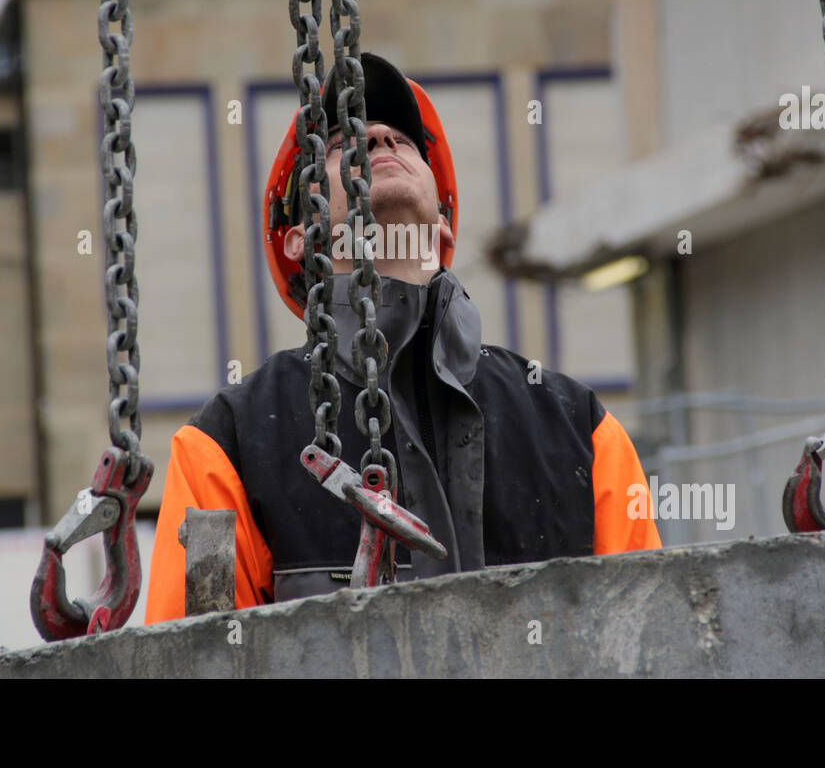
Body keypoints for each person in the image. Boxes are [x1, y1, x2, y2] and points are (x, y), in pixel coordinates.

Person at [145, 52, 660, 622]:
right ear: (299, 239)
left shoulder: (581, 432)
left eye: (402, 141)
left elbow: (646, 637)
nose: (382, 139)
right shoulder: (227, 446)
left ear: (441, 220)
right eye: (343, 144)